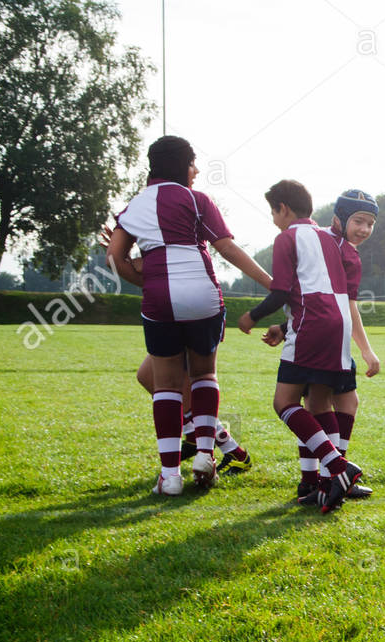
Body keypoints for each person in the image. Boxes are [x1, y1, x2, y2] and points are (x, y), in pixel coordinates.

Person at [105, 136, 272, 494]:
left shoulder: (136, 205)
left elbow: (115, 258)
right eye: (193, 163)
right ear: (182, 164)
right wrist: (272, 283)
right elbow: (226, 247)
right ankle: (208, 453)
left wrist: (144, 278)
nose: (196, 171)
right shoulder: (198, 200)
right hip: (202, 295)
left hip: (161, 299)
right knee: (203, 376)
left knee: (162, 385)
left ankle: (170, 477)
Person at [238, 179, 363, 513]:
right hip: (338, 327)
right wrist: (283, 325)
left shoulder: (287, 237)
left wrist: (251, 316)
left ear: (284, 208)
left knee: (285, 403)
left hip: (311, 326)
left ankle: (338, 468)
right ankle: (320, 485)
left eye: (273, 212)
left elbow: (281, 292)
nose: (274, 219)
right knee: (320, 405)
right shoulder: (331, 238)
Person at [264, 189, 380, 501]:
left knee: (320, 406)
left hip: (320, 334)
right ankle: (334, 477)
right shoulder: (337, 248)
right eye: (359, 221)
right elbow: (344, 306)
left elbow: (319, 298)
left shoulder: (325, 241)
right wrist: (367, 350)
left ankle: (317, 480)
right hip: (330, 338)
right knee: (332, 405)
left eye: (370, 223)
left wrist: (282, 325)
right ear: (338, 218)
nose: (364, 230)